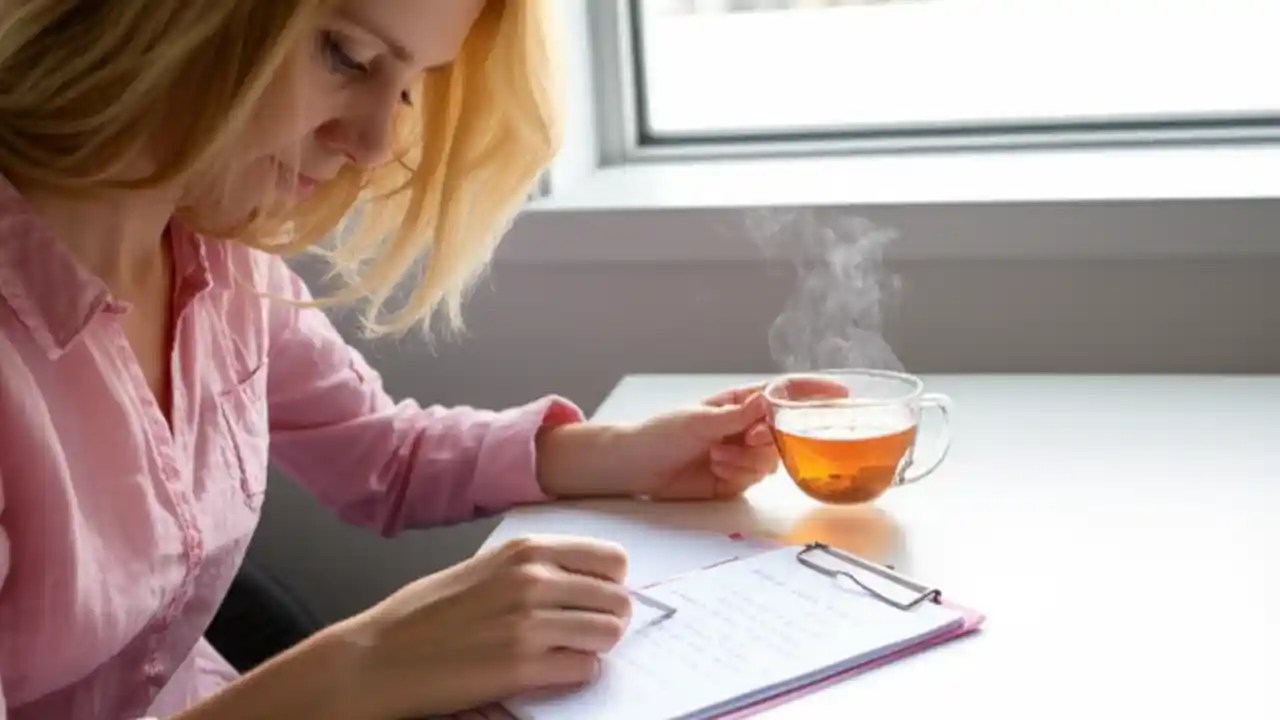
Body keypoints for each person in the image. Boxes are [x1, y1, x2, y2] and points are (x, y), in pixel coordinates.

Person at [0, 1, 785, 718]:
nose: (376, 146)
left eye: (411, 88)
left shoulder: (220, 260)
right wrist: (364, 662)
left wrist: (625, 453)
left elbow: (383, 451)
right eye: (345, 55)